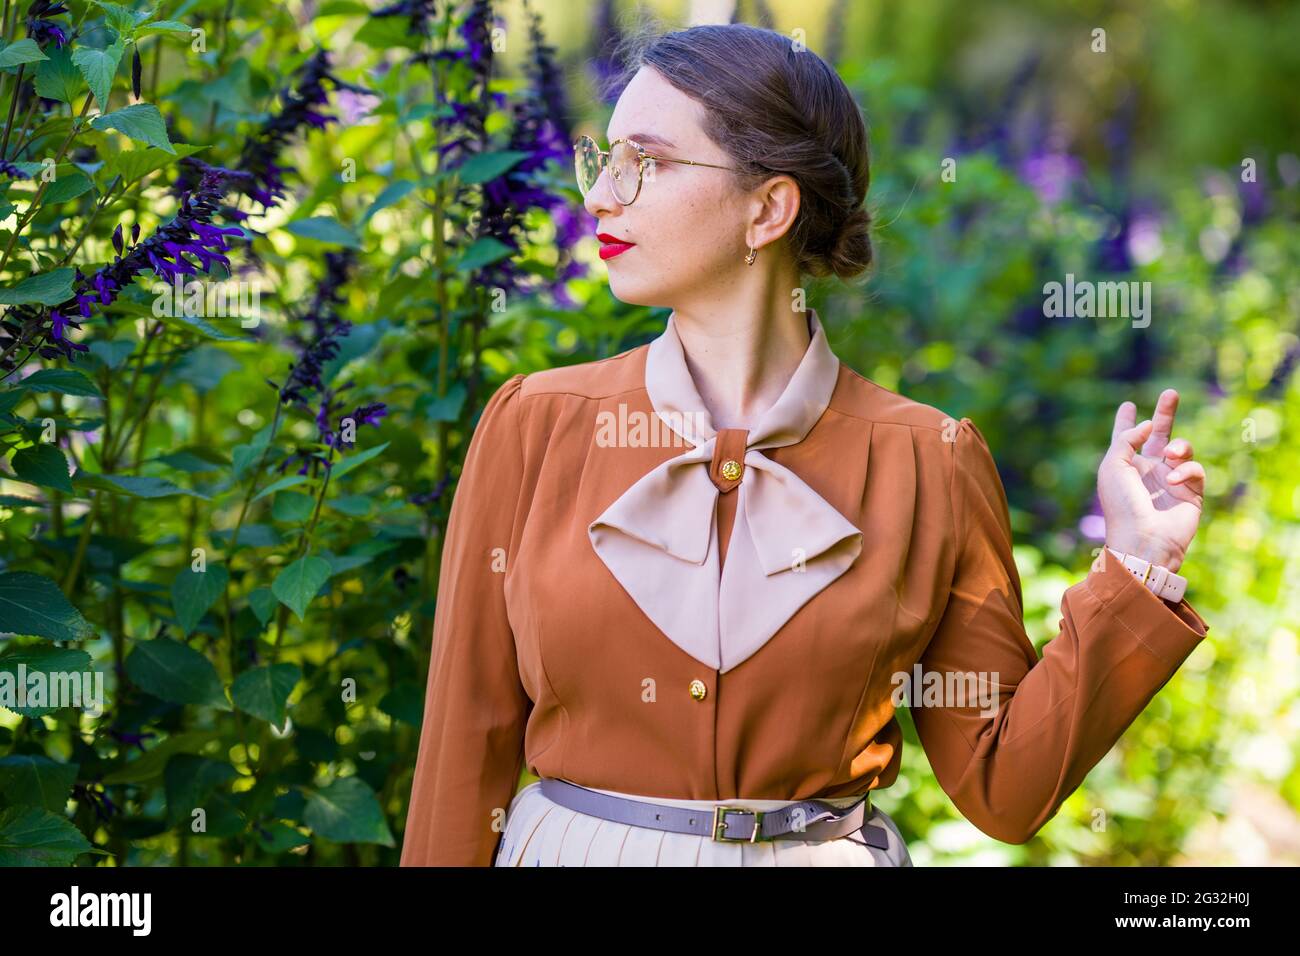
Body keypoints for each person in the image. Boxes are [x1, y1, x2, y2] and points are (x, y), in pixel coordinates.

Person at [399, 23, 1208, 867]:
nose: (602, 195)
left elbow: (1005, 786)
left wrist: (1137, 569)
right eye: (601, 159)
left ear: (769, 209)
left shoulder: (930, 461)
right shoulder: (534, 425)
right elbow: (464, 751)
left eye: (647, 161)